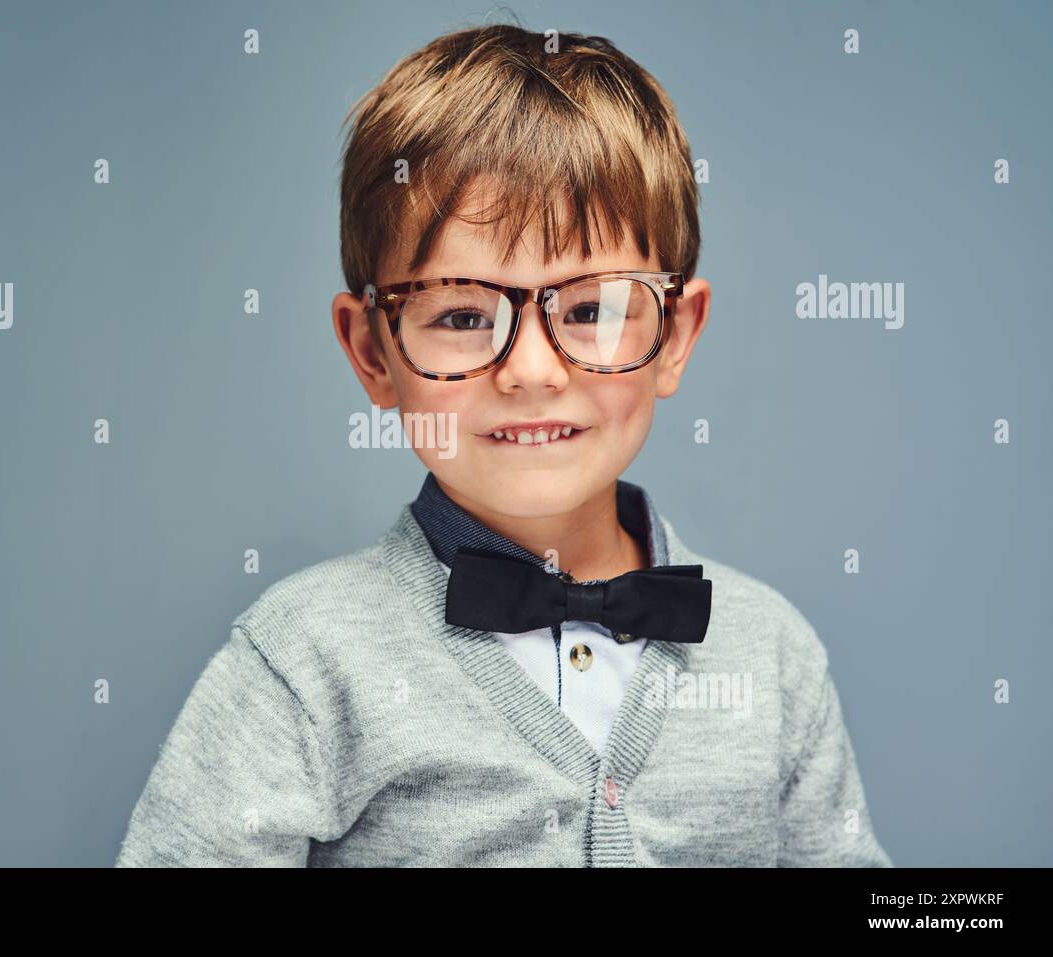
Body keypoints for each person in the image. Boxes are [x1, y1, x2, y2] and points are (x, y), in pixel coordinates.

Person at [115, 22, 892, 867]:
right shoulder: (301, 664)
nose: (530, 370)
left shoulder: (772, 654)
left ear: (676, 334)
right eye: (459, 314)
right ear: (373, 352)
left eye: (591, 309)